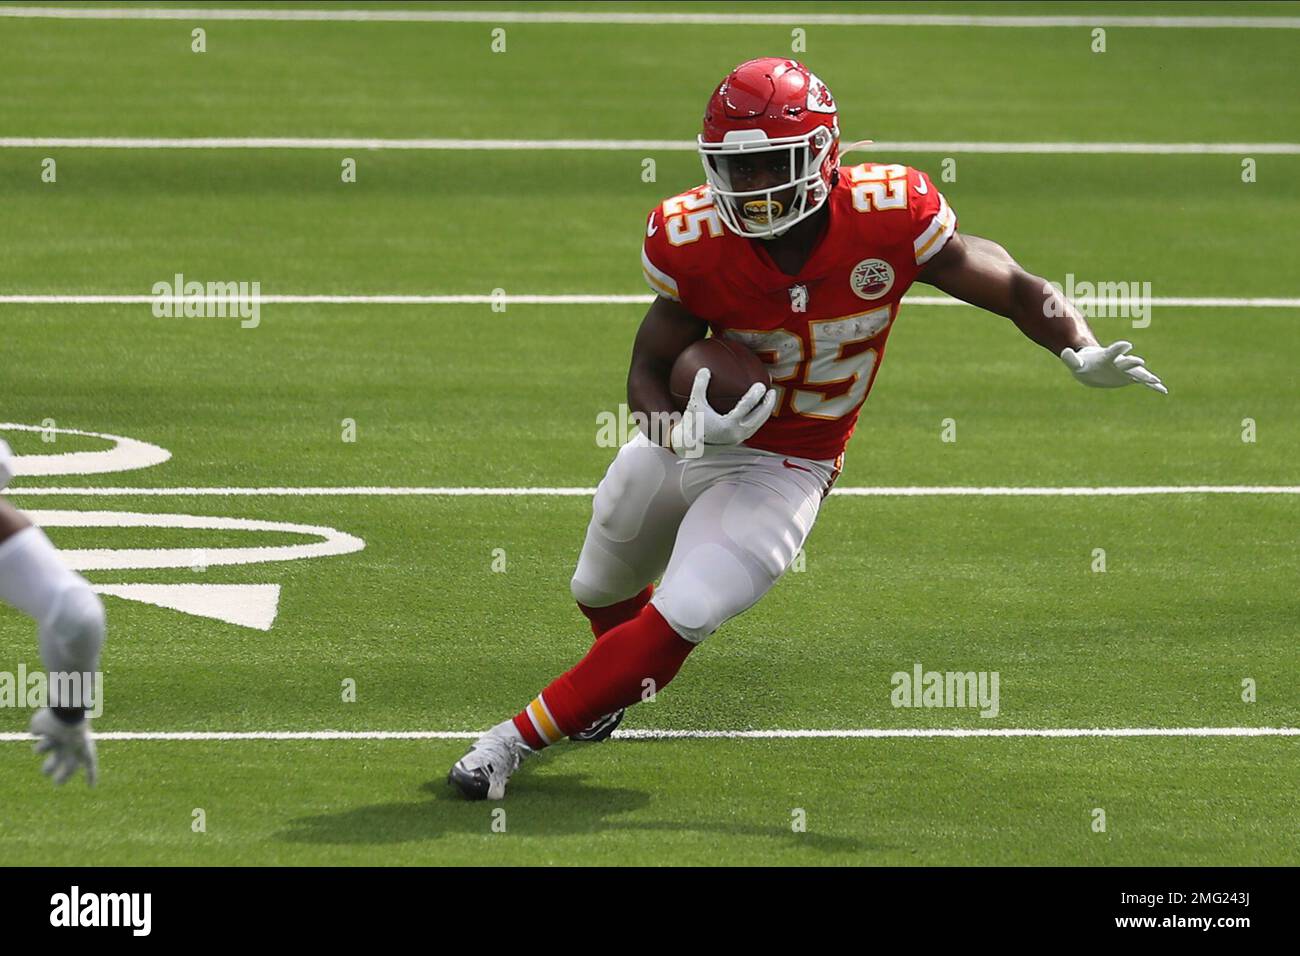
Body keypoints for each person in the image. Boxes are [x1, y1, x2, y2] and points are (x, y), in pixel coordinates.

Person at [449, 58, 1164, 800]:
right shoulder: (694, 236)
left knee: (688, 610)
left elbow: (1010, 280)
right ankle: (608, 688)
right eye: (736, 166)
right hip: (702, 438)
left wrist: (1074, 344)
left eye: (770, 164)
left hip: (789, 465)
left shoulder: (889, 212)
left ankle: (509, 742)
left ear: (823, 155)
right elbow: (645, 370)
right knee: (598, 582)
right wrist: (684, 431)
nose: (752, 187)